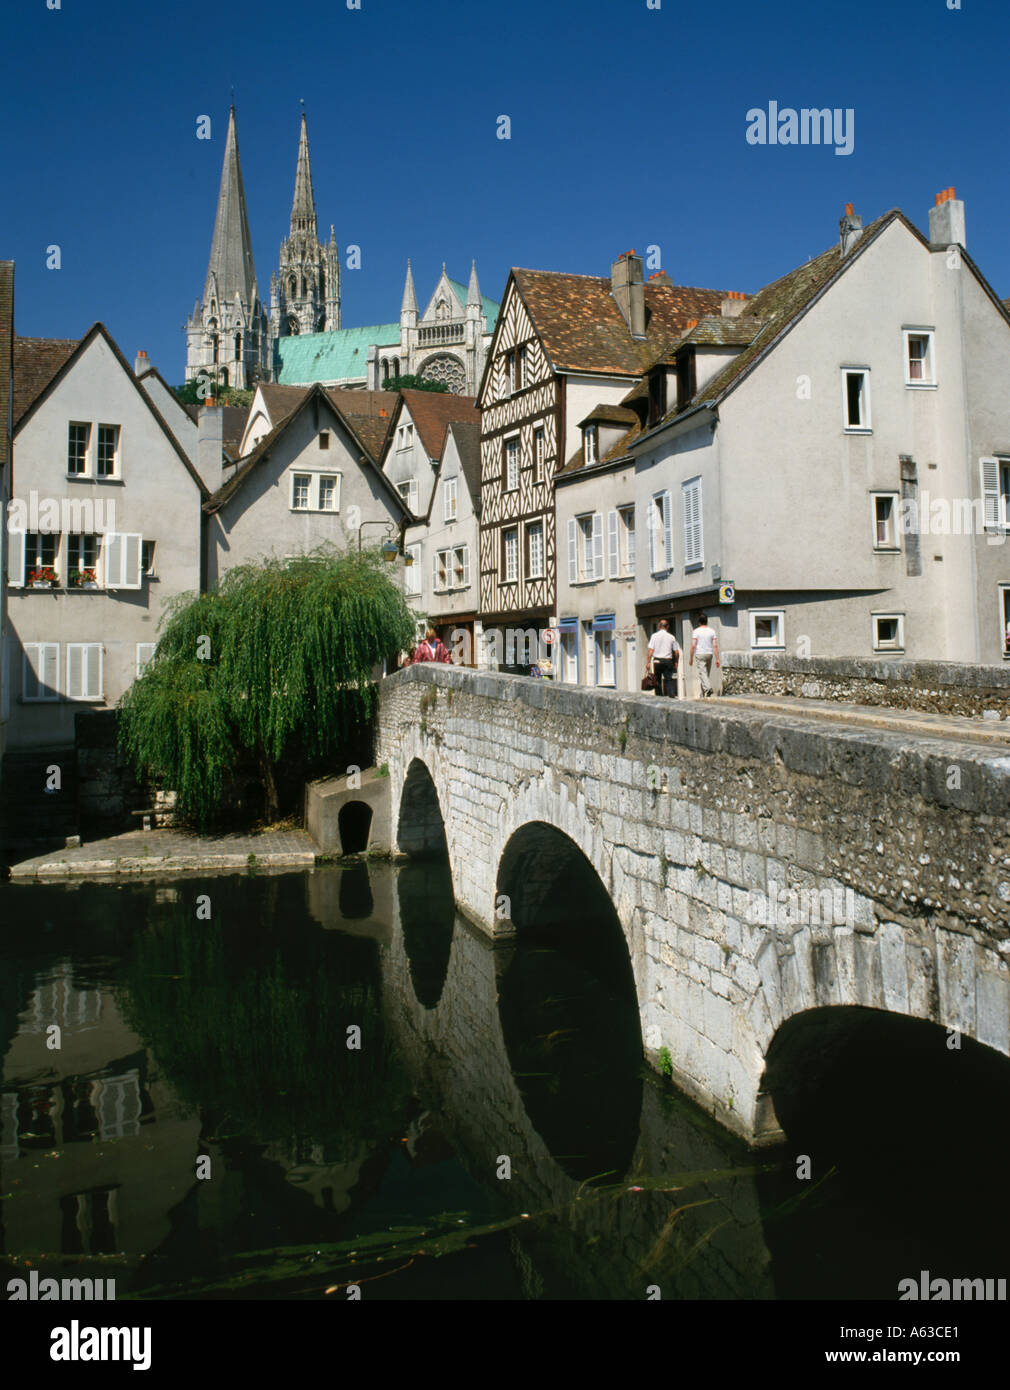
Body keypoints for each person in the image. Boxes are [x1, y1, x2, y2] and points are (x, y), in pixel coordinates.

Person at [646, 619, 680, 697]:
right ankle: (671, 696)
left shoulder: (654, 636)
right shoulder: (672, 637)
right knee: (669, 680)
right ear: (667, 626)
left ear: (659, 626)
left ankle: (659, 697)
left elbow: (651, 651)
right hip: (668, 661)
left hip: (657, 661)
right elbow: (676, 652)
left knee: (657, 680)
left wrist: (648, 662)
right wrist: (676, 662)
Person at [689, 614, 719, 697]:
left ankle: (708, 689)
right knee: (706, 674)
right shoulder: (712, 631)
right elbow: (715, 646)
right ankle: (703, 694)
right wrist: (717, 659)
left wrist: (691, 658)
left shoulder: (696, 631)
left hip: (700, 654)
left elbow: (693, 645)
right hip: (709, 654)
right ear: (707, 621)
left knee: (702, 673)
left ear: (699, 622)